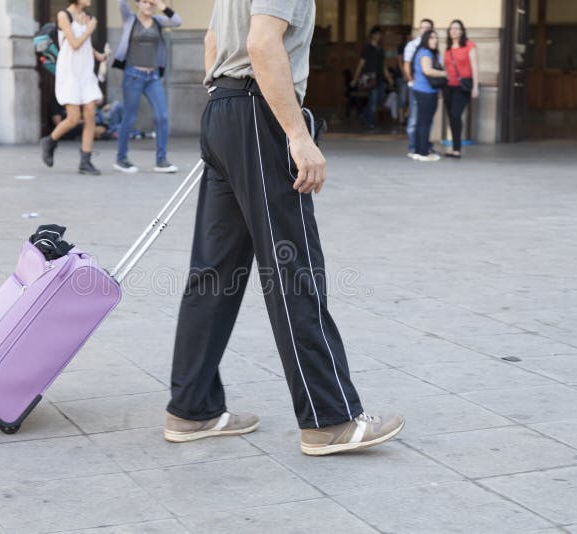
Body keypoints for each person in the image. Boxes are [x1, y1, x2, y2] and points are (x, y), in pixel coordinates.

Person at [165, 0, 405, 456]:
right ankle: (327, 419)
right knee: (293, 268)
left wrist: (228, 103)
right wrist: (297, 134)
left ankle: (191, 408)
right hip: (257, 114)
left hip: (223, 107)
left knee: (214, 272)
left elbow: (213, 41)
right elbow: (261, 42)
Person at [112, 0, 181, 174]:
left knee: (162, 116)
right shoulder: (130, 19)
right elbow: (121, 4)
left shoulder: (158, 20)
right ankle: (121, 159)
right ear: (137, 4)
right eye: (145, 2)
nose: (149, 5)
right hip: (133, 75)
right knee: (129, 117)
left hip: (153, 77)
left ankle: (161, 160)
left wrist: (161, 5)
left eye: (151, 2)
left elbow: (178, 21)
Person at [40, 0, 107, 176]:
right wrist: (90, 29)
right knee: (73, 117)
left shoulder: (87, 16)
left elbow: (84, 42)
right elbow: (74, 43)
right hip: (69, 71)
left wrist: (96, 53)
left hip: (85, 70)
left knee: (91, 112)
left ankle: (85, 161)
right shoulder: (64, 15)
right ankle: (50, 141)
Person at [443, 19, 479, 159]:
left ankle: (457, 148)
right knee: (451, 117)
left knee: (456, 114)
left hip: (463, 86)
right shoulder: (448, 48)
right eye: (451, 28)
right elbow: (446, 68)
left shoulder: (469, 46)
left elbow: (475, 67)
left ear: (462, 31)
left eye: (457, 28)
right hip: (448, 87)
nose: (454, 31)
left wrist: (475, 87)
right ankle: (454, 147)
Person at [412, 30, 448, 162]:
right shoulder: (425, 53)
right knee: (425, 123)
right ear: (426, 39)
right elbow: (427, 70)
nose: (435, 40)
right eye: (431, 38)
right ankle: (423, 152)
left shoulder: (422, 51)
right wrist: (445, 73)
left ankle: (417, 151)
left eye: (436, 38)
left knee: (422, 121)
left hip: (422, 90)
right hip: (425, 91)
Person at [403, 18, 434, 158]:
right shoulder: (412, 46)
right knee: (414, 119)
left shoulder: (432, 47)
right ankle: (412, 147)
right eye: (422, 27)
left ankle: (424, 146)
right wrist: (412, 81)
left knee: (426, 120)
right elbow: (406, 65)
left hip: (430, 89)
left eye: (428, 28)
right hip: (416, 88)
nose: (425, 30)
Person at [353, 26, 393, 130]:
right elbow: (361, 64)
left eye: (380, 34)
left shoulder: (380, 50)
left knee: (381, 100)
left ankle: (363, 114)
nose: (379, 36)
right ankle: (371, 123)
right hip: (370, 78)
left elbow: (383, 65)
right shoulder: (367, 48)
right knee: (373, 101)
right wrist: (355, 78)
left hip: (380, 78)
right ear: (372, 35)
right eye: (377, 34)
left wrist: (389, 78)